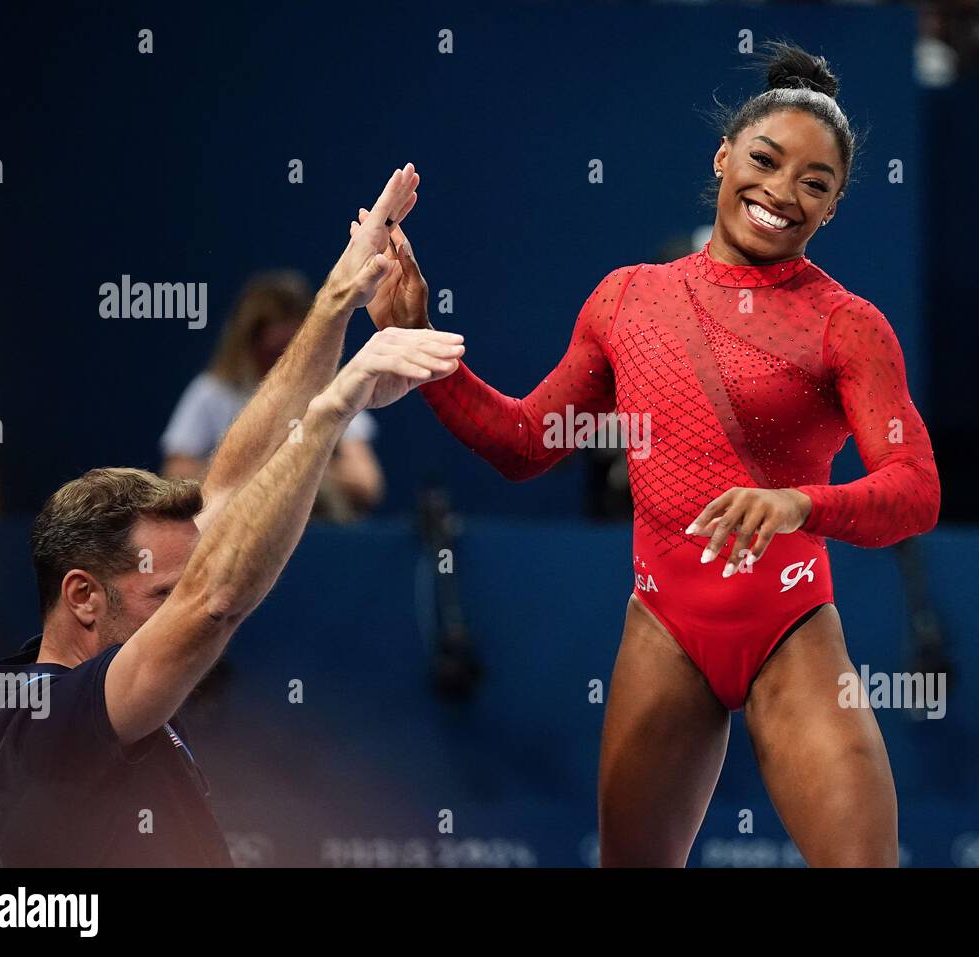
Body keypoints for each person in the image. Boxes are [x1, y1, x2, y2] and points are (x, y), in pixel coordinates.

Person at [361, 43, 940, 866]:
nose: (781, 193)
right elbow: (528, 444)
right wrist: (415, 343)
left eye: (815, 184)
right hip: (664, 626)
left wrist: (800, 504)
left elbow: (915, 490)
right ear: (723, 156)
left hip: (792, 625)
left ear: (835, 205)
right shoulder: (629, 297)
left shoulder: (848, 325)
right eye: (766, 161)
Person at [0, 164, 466, 866]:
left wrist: (338, 297)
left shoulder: (92, 696)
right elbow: (215, 599)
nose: (179, 605)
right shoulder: (47, 720)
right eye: (161, 595)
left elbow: (231, 479)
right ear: (82, 595)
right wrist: (334, 407)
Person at [161, 271, 384, 521]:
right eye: (273, 354)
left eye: (292, 352)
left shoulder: (333, 391)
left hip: (316, 533)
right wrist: (250, 473)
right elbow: (175, 475)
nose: (282, 366)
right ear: (248, 344)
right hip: (230, 530)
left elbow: (366, 483)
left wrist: (298, 469)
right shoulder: (212, 392)